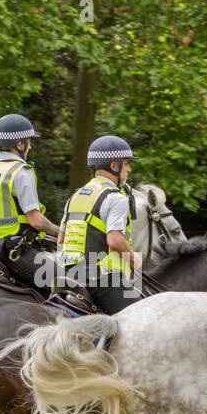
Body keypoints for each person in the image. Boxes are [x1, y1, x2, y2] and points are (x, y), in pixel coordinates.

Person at [0, 114, 60, 295]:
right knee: (69, 282)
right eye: (28, 141)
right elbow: (36, 221)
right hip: (17, 252)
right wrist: (61, 232)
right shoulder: (21, 171)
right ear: (20, 145)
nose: (30, 146)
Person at [59, 135, 141, 315]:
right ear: (114, 166)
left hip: (71, 276)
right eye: (126, 163)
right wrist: (134, 260)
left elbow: (61, 239)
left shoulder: (76, 196)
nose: (129, 169)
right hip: (103, 279)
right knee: (144, 318)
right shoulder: (116, 198)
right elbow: (114, 240)